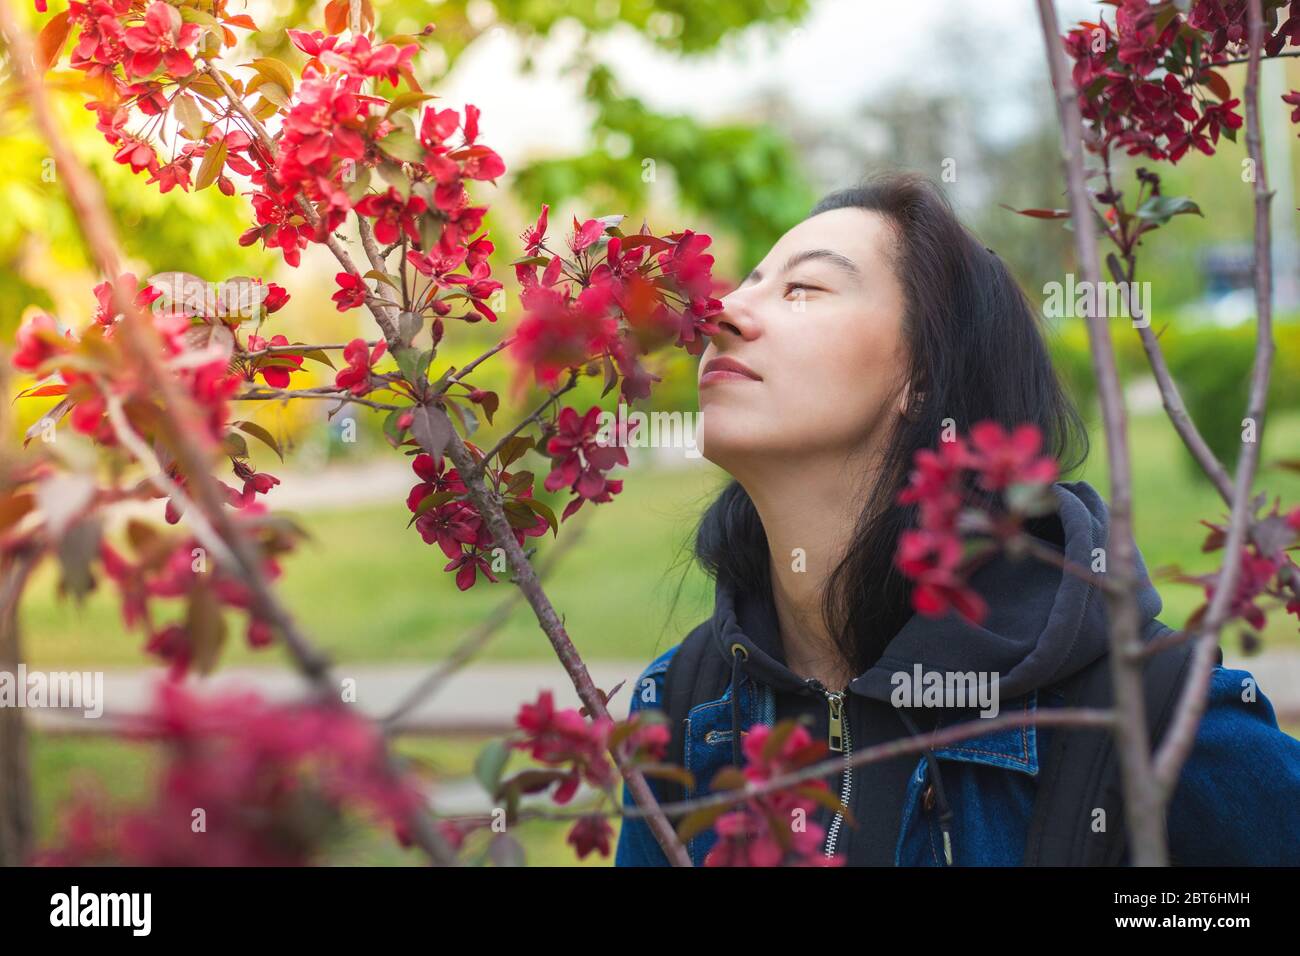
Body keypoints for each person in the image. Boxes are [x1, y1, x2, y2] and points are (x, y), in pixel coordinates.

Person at [614, 173, 1300, 866]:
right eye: (746, 284)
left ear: (923, 376)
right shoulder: (684, 704)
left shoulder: (1144, 716)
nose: (721, 313)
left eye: (803, 289)